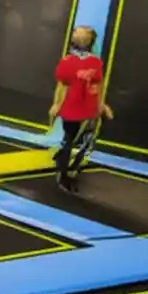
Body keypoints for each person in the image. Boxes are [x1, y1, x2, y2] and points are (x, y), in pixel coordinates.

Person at [49, 26, 113, 194]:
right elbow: (61, 86)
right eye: (78, 35)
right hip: (71, 108)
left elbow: (99, 85)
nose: (81, 39)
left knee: (85, 142)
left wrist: (102, 105)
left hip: (89, 109)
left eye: (84, 36)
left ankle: (72, 170)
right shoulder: (67, 62)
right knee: (70, 140)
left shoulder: (95, 63)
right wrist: (56, 104)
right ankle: (63, 174)